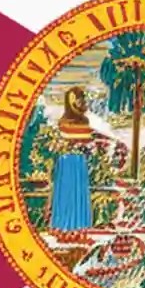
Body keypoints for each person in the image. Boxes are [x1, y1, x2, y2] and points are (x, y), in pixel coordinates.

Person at [48, 86, 97, 232]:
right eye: (79, 100)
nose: (82, 103)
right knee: (66, 192)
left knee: (78, 192)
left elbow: (86, 140)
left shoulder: (85, 120)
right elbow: (66, 140)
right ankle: (63, 225)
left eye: (83, 100)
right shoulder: (64, 122)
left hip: (79, 161)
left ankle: (80, 225)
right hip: (67, 161)